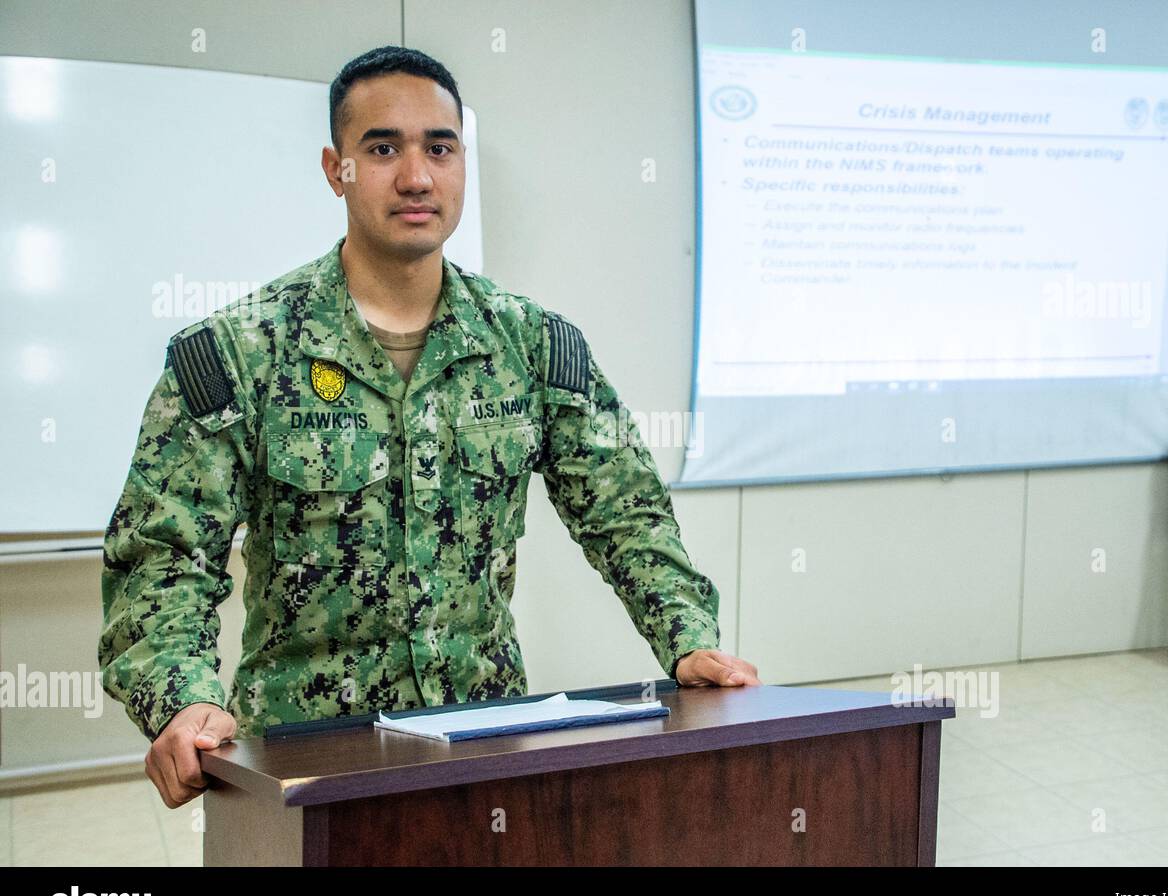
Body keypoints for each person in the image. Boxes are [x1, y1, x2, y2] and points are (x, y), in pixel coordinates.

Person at [99, 46, 760, 808]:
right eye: (383, 149)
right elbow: (163, 558)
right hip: (305, 768)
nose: (417, 177)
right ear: (336, 169)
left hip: (486, 752)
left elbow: (626, 513)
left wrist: (688, 639)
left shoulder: (531, 345)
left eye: (440, 149)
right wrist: (182, 697)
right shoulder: (239, 353)